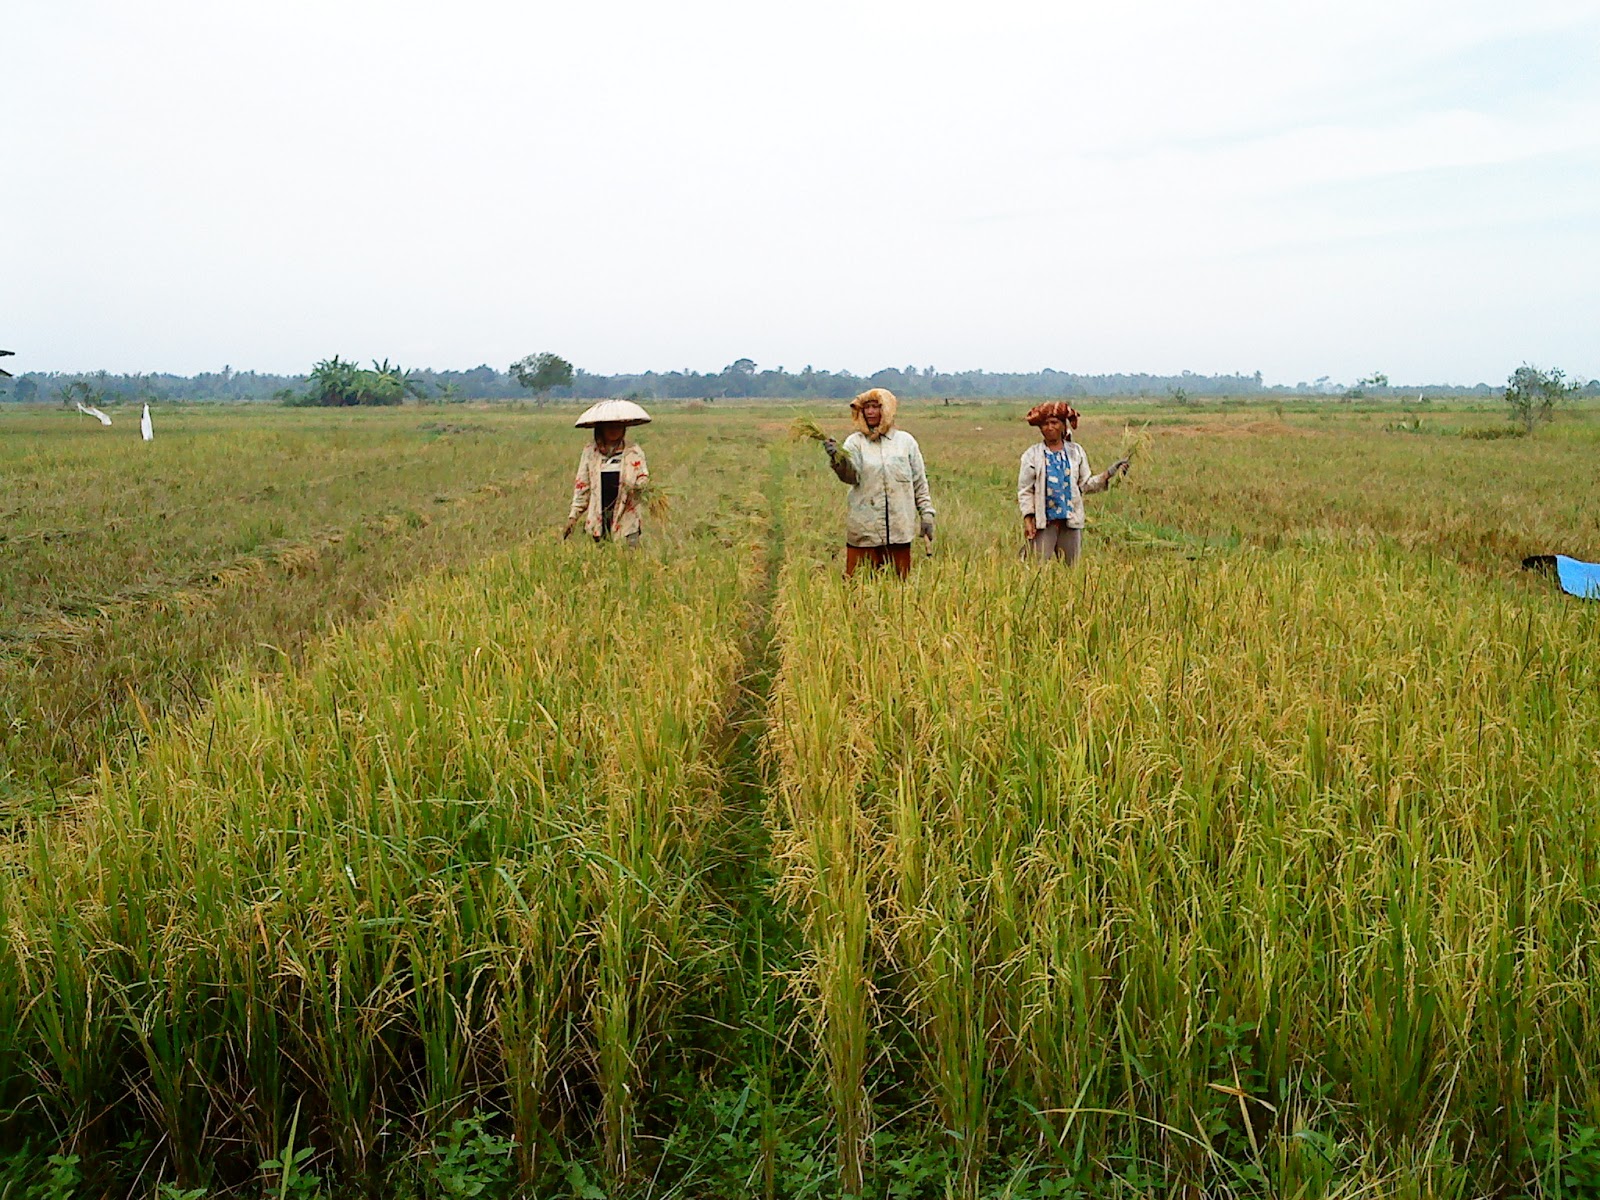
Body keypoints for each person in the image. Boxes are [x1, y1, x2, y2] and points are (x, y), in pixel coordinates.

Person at [821, 388, 935, 578]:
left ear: (887, 410)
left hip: (899, 532)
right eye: (866, 408)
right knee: (858, 585)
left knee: (899, 587)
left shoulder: (906, 442)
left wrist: (927, 514)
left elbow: (919, 483)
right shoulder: (855, 443)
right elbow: (850, 476)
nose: (870, 412)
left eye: (876, 407)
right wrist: (838, 459)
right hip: (864, 531)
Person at [1016, 401, 1127, 564]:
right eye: (1045, 424)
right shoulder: (1032, 455)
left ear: (1063, 425)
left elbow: (1085, 485)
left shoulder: (1076, 452)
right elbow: (1025, 490)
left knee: (1072, 568)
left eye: (1054, 423)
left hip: (1071, 520)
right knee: (1035, 566)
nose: (1049, 427)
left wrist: (1109, 473)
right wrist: (1028, 518)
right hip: (1044, 522)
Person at [564, 399, 651, 546]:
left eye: (618, 426)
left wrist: (637, 486)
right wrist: (573, 517)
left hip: (626, 518)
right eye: (609, 426)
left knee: (628, 555)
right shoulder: (590, 452)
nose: (613, 430)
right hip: (599, 517)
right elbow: (582, 487)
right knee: (601, 555)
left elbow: (643, 478)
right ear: (601, 428)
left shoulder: (633, 451)